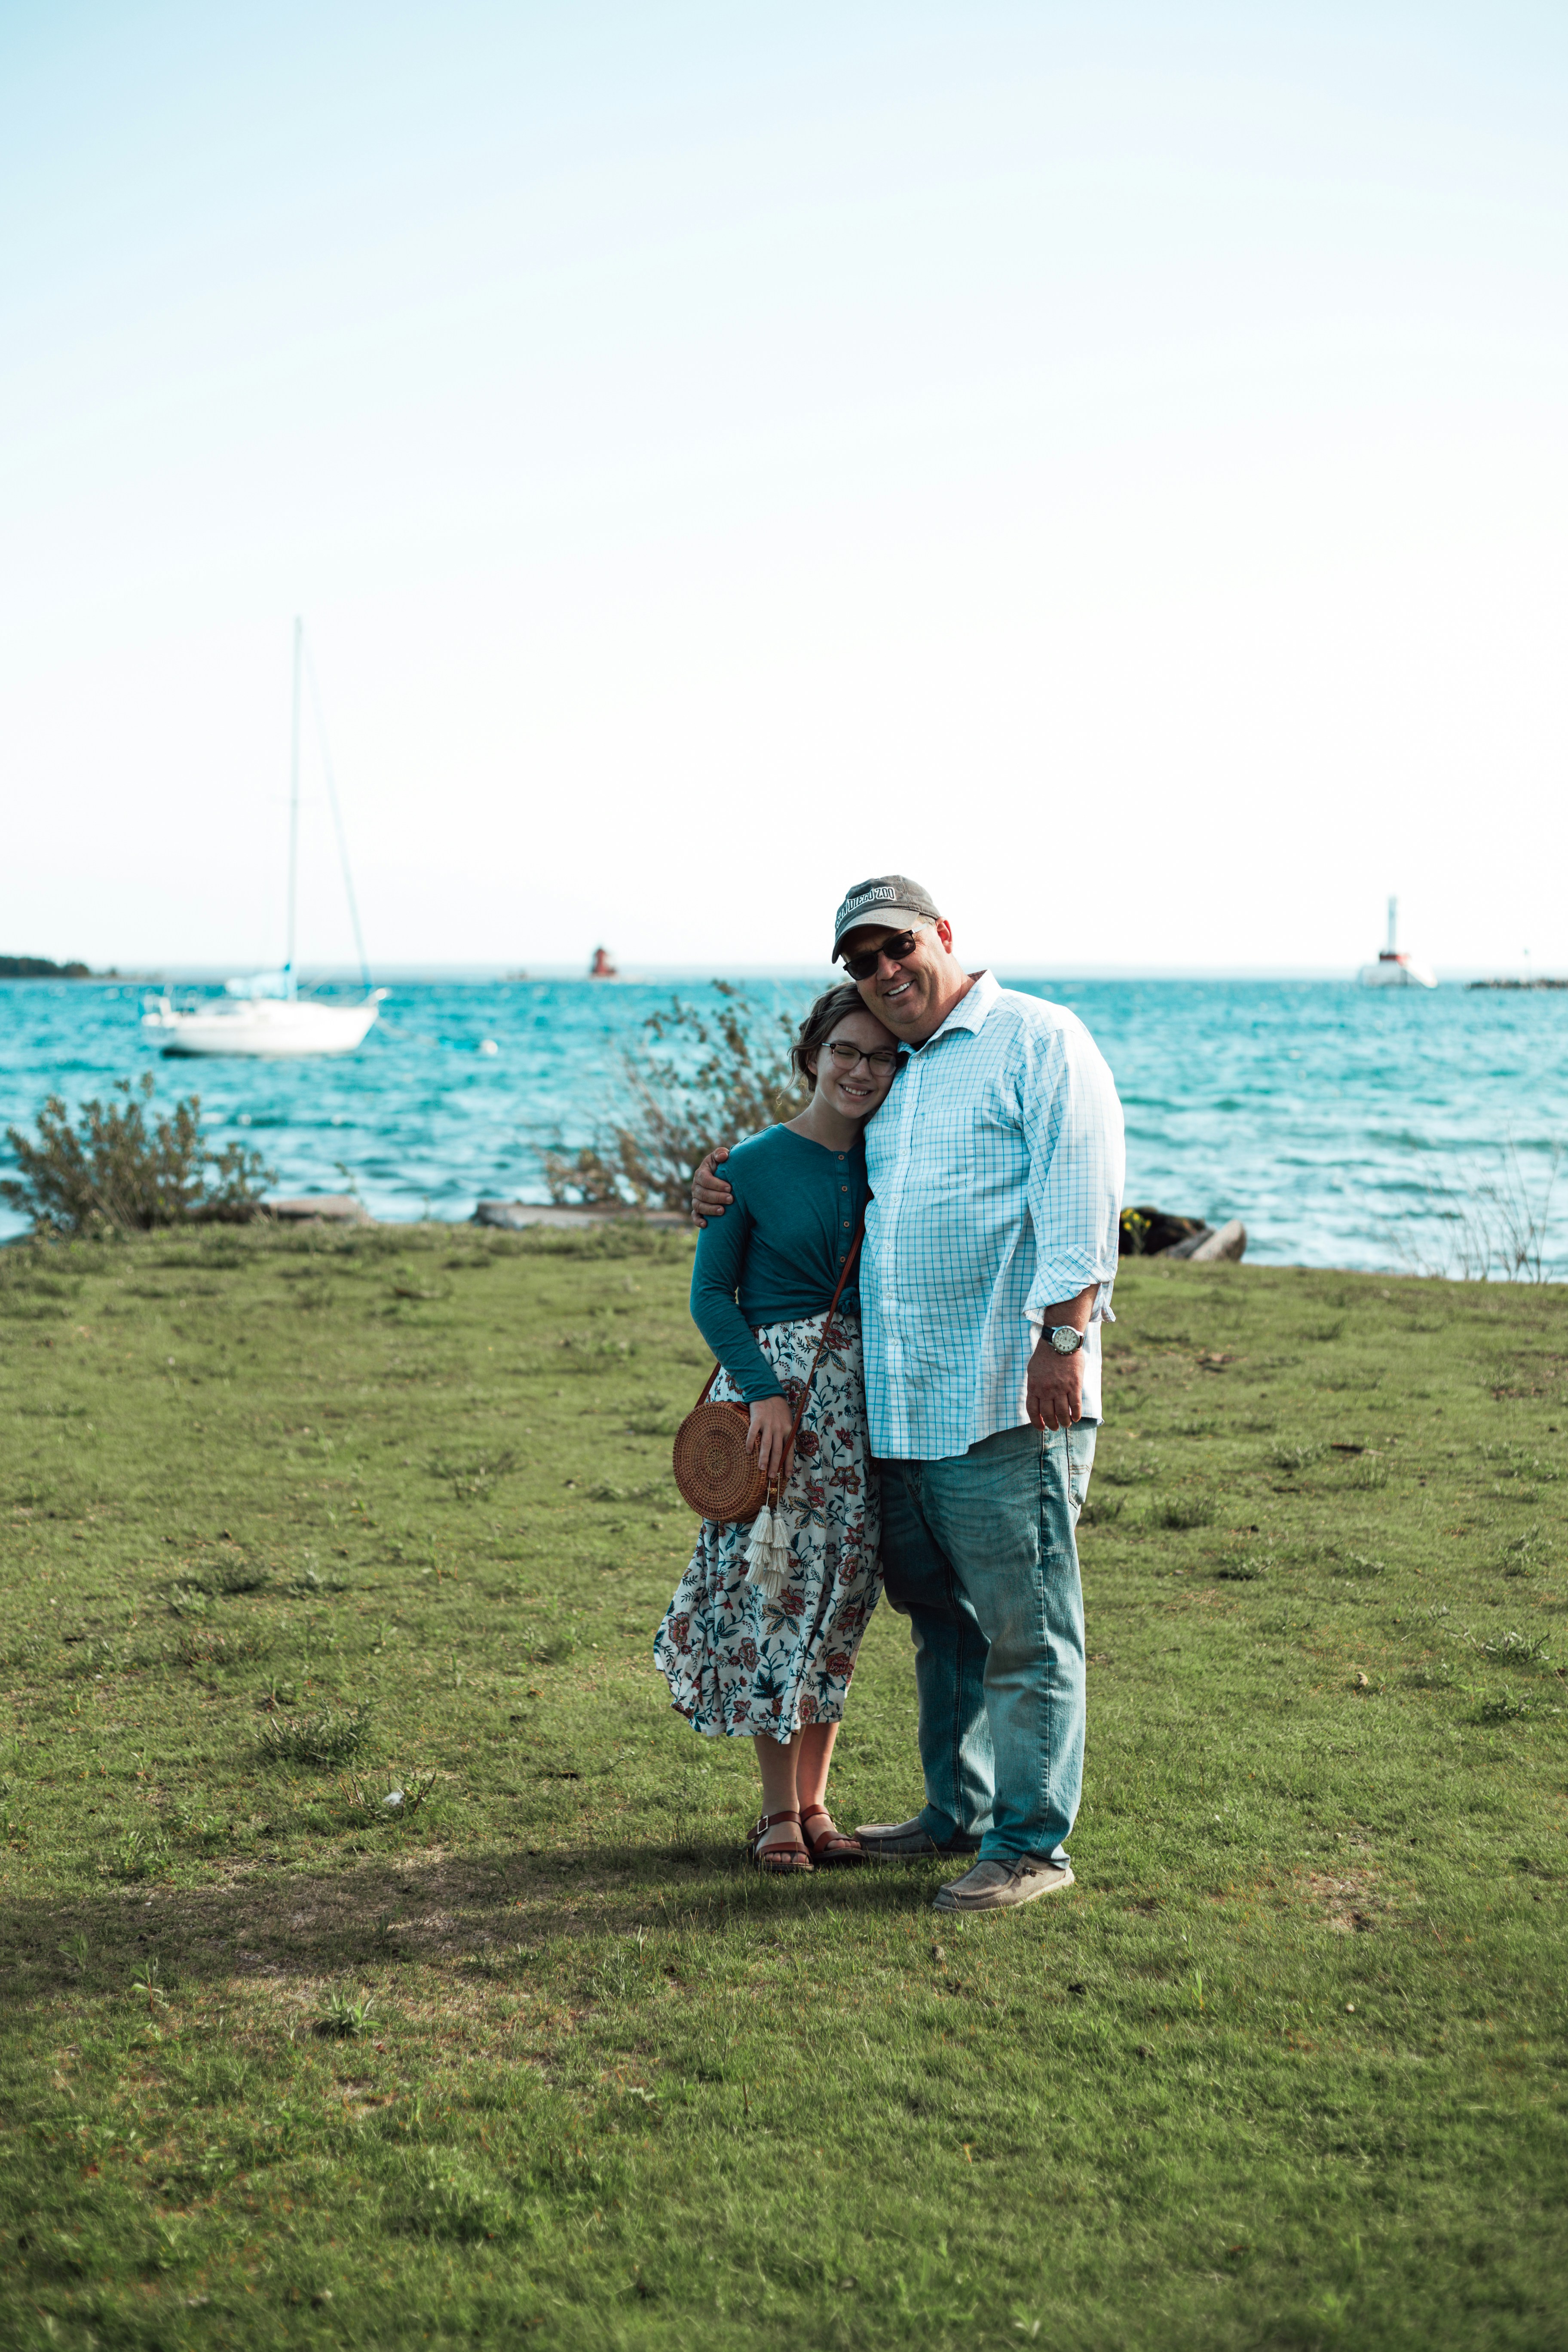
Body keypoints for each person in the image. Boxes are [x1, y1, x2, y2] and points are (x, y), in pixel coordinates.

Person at [692, 876, 1125, 1913]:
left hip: (1003, 1399)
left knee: (1026, 1631)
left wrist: (1062, 1340)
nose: (884, 974)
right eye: (861, 962)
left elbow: (1081, 1197)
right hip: (899, 1410)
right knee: (943, 1624)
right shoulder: (905, 1072)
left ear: (942, 935)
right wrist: (718, 1183)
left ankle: (1030, 1847)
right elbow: (821, 1175)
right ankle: (958, 1811)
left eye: (898, 949)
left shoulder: (1035, 1038)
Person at [655, 982, 899, 1874]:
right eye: (846, 1051)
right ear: (811, 1057)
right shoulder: (750, 1164)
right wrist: (760, 1393)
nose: (861, 1070)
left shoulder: (896, 1157)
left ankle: (818, 1802)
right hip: (776, 1414)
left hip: (869, 1410)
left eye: (881, 1055)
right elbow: (710, 1294)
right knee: (775, 1592)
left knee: (841, 1599)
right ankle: (774, 1814)